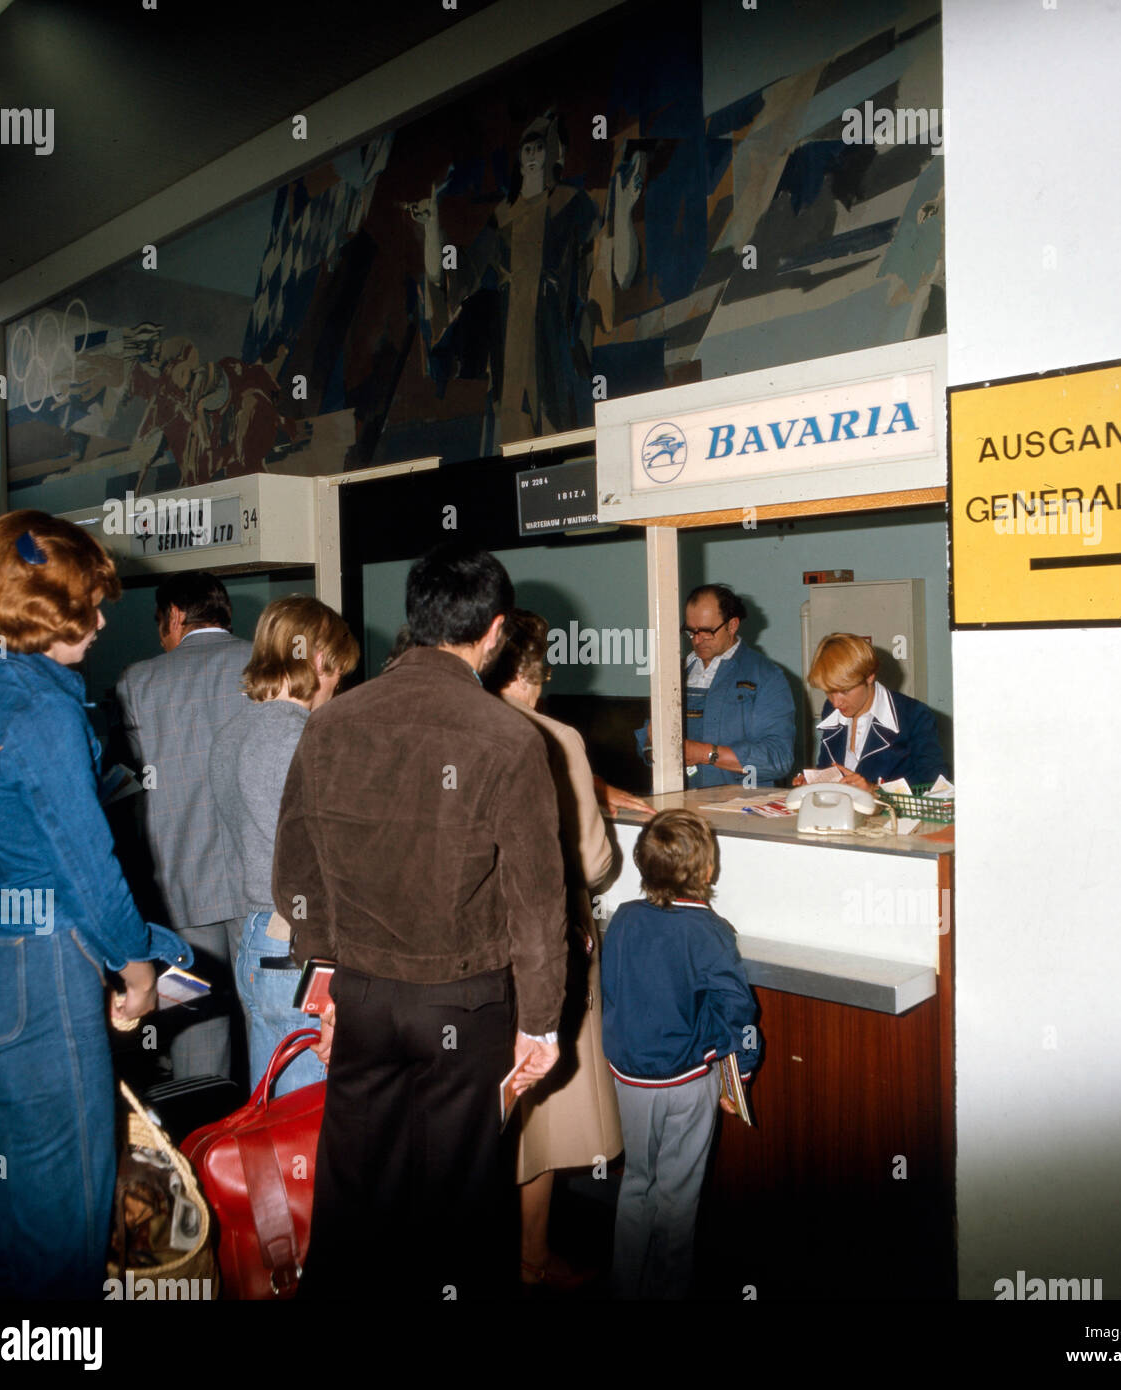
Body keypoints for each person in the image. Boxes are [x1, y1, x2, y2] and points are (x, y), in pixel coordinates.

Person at [273, 544, 568, 1299]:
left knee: (354, 1200)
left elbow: (296, 875)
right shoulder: (510, 739)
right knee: (461, 1208)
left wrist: (329, 980)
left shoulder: (333, 723)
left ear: (415, 616)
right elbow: (537, 901)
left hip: (365, 996)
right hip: (464, 1006)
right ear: (495, 630)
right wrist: (539, 1024)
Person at [0, 510, 192, 1298]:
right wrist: (137, 970)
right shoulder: (39, 705)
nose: (100, 618)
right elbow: (87, 871)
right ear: (43, 609)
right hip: (42, 978)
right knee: (65, 1236)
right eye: (88, 602)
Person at [486, 609, 651, 1289]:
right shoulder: (557, 738)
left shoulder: (445, 726)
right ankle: (531, 1261)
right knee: (540, 1118)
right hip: (541, 951)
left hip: (459, 964)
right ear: (533, 671)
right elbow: (591, 862)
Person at [413, 112, 644, 451]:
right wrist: (432, 228)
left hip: (555, 350)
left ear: (558, 155)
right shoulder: (503, 216)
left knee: (558, 443)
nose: (534, 156)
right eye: (528, 149)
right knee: (509, 444)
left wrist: (623, 212)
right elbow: (454, 277)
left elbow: (616, 271)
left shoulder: (573, 204)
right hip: (509, 361)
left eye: (541, 147)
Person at [601, 808, 760, 1299]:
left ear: (642, 865)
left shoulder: (623, 918)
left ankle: (625, 1286)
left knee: (636, 1185)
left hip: (629, 1080)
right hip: (688, 1083)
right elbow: (739, 1012)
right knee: (677, 1196)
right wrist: (743, 1075)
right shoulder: (710, 932)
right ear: (706, 871)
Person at [209, 596, 360, 1098]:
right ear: (318, 659)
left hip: (257, 937)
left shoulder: (233, 730)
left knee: (274, 1119)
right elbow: (322, 861)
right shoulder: (300, 738)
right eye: (337, 669)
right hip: (300, 944)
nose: (337, 683)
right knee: (309, 1120)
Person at [115, 570, 251, 1081]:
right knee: (274, 1022)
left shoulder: (137, 682)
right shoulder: (263, 664)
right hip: (257, 886)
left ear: (174, 616)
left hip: (180, 890)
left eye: (159, 622)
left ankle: (196, 1143)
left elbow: (125, 786)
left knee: (195, 1025)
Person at [636, 583, 796, 787]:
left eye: (706, 631)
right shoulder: (674, 674)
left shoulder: (767, 677)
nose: (697, 640)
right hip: (678, 798)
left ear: (732, 625)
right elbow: (646, 740)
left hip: (740, 807)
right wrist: (652, 748)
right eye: (691, 632)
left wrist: (705, 754)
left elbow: (778, 759)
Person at [807, 632, 949, 791]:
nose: (835, 702)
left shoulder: (915, 716)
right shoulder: (832, 709)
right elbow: (828, 769)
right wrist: (814, 783)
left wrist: (875, 792)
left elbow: (938, 790)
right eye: (828, 691)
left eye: (845, 691)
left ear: (869, 677)